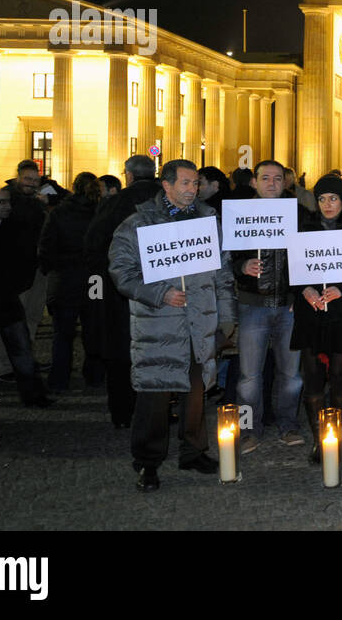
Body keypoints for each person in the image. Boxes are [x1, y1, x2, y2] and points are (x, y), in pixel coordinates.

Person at [108, 159, 238, 491]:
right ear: (165, 186)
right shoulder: (138, 223)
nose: (192, 189)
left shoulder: (208, 220)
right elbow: (121, 271)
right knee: (154, 396)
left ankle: (193, 452)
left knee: (196, 392)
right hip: (158, 325)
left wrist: (226, 317)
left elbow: (223, 273)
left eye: (195, 184)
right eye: (185, 183)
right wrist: (159, 293)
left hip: (199, 323)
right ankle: (147, 462)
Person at [291, 174, 342, 465]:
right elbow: (292, 268)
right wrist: (305, 288)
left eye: (333, 198)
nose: (327, 204)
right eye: (322, 198)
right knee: (312, 380)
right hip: (311, 314)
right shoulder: (303, 228)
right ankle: (317, 441)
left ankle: (334, 439)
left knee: (339, 378)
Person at [232, 160, 304, 453]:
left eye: (277, 178)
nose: (272, 183)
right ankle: (248, 429)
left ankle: (288, 426)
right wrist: (241, 265)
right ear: (254, 182)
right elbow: (225, 258)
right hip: (252, 305)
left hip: (288, 305)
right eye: (265, 178)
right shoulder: (238, 215)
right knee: (249, 375)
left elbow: (310, 258)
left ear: (285, 182)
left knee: (291, 374)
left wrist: (300, 294)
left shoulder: (299, 215)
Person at [84, 155, 159, 428]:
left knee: (120, 351)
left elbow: (93, 246)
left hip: (120, 290)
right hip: (164, 289)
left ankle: (123, 412)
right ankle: (161, 411)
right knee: (161, 349)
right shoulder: (170, 202)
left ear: (127, 175)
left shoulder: (114, 204)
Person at [0, 186, 53, 407]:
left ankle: (33, 395)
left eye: (7, 202)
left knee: (20, 345)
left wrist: (17, 284)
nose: (7, 207)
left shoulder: (14, 227)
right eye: (0, 202)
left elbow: (24, 258)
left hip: (5, 295)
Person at [38, 172, 105, 392]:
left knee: (63, 333)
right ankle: (94, 376)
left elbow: (46, 246)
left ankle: (59, 378)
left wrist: (54, 267)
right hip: (95, 279)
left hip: (66, 278)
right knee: (93, 329)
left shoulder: (60, 212)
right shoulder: (101, 212)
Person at [6, 159, 49, 373]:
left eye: (35, 180)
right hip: (15, 267)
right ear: (18, 177)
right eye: (27, 179)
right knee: (13, 318)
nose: (31, 183)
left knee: (32, 316)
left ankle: (25, 360)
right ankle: (7, 367)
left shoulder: (38, 201)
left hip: (37, 267)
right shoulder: (7, 198)